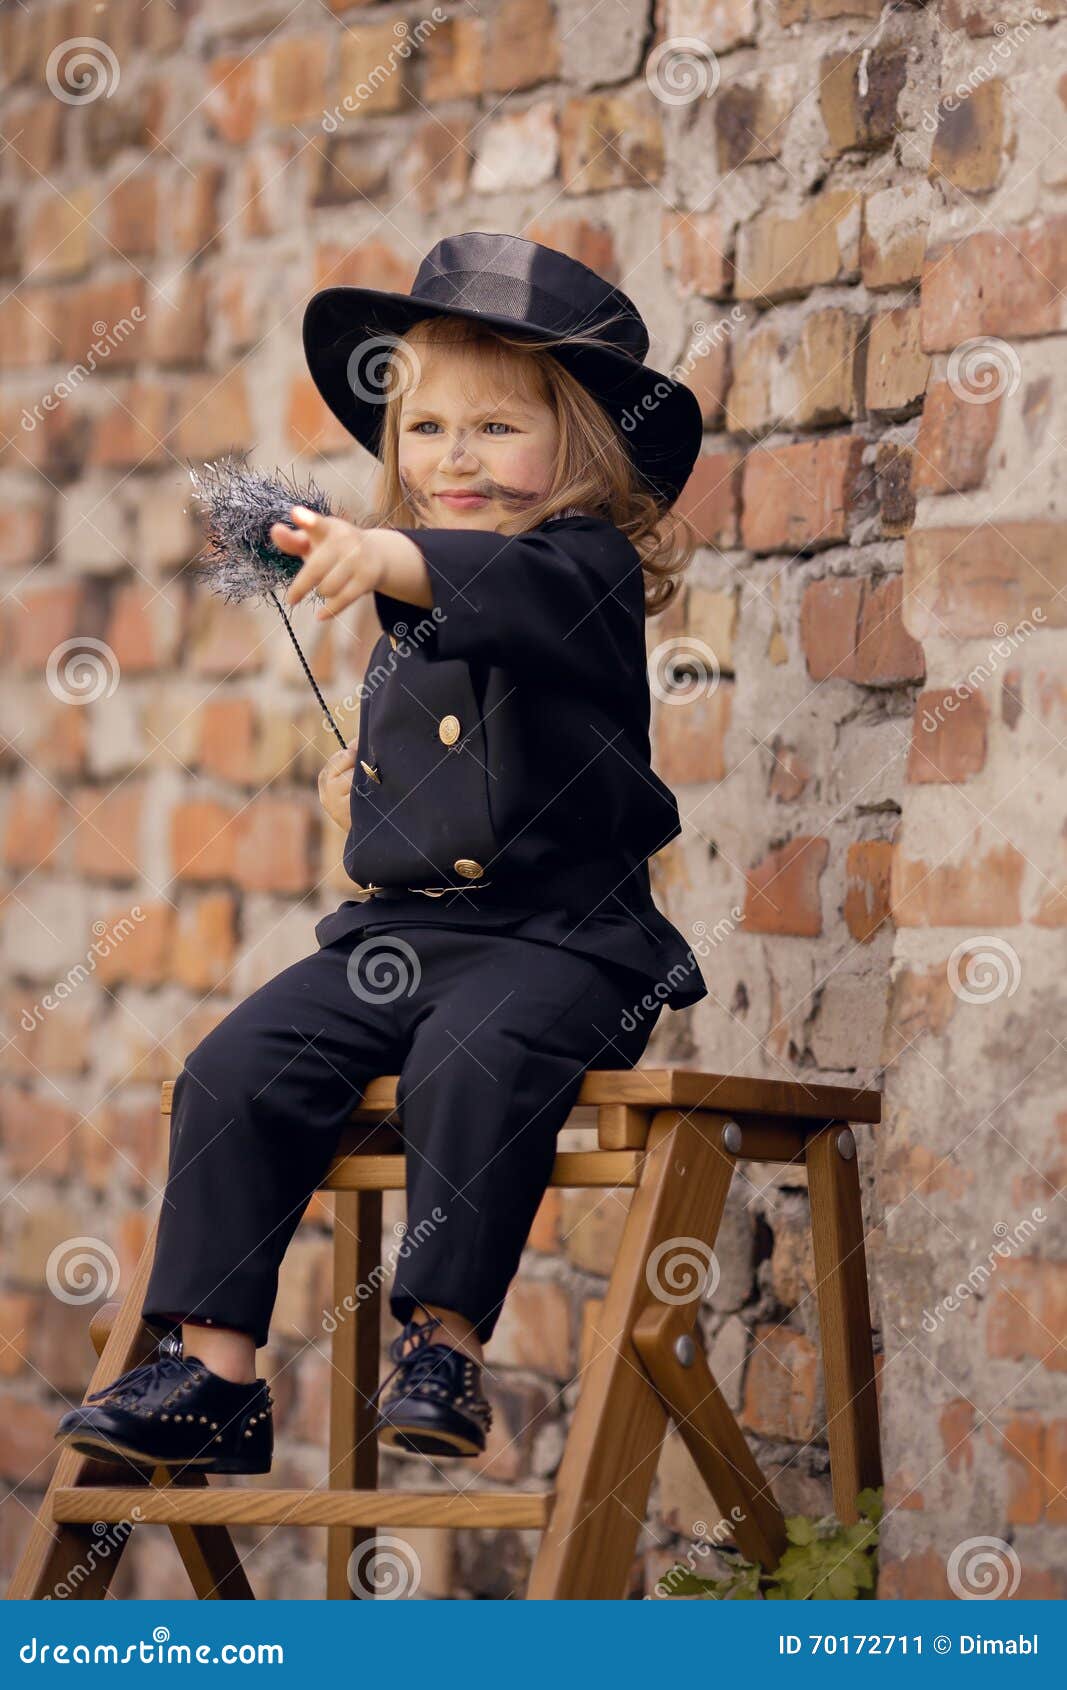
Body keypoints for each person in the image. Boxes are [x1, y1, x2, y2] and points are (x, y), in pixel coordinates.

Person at [54, 230, 709, 1474]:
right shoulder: (414, 593)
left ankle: (442, 1339)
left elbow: (481, 588)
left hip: (565, 943)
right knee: (235, 1066)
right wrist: (359, 781)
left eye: (495, 430)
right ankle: (212, 1370)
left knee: (474, 1053)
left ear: (578, 447)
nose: (451, 458)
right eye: (425, 430)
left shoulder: (582, 570)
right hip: (409, 939)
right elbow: (447, 743)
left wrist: (381, 553)